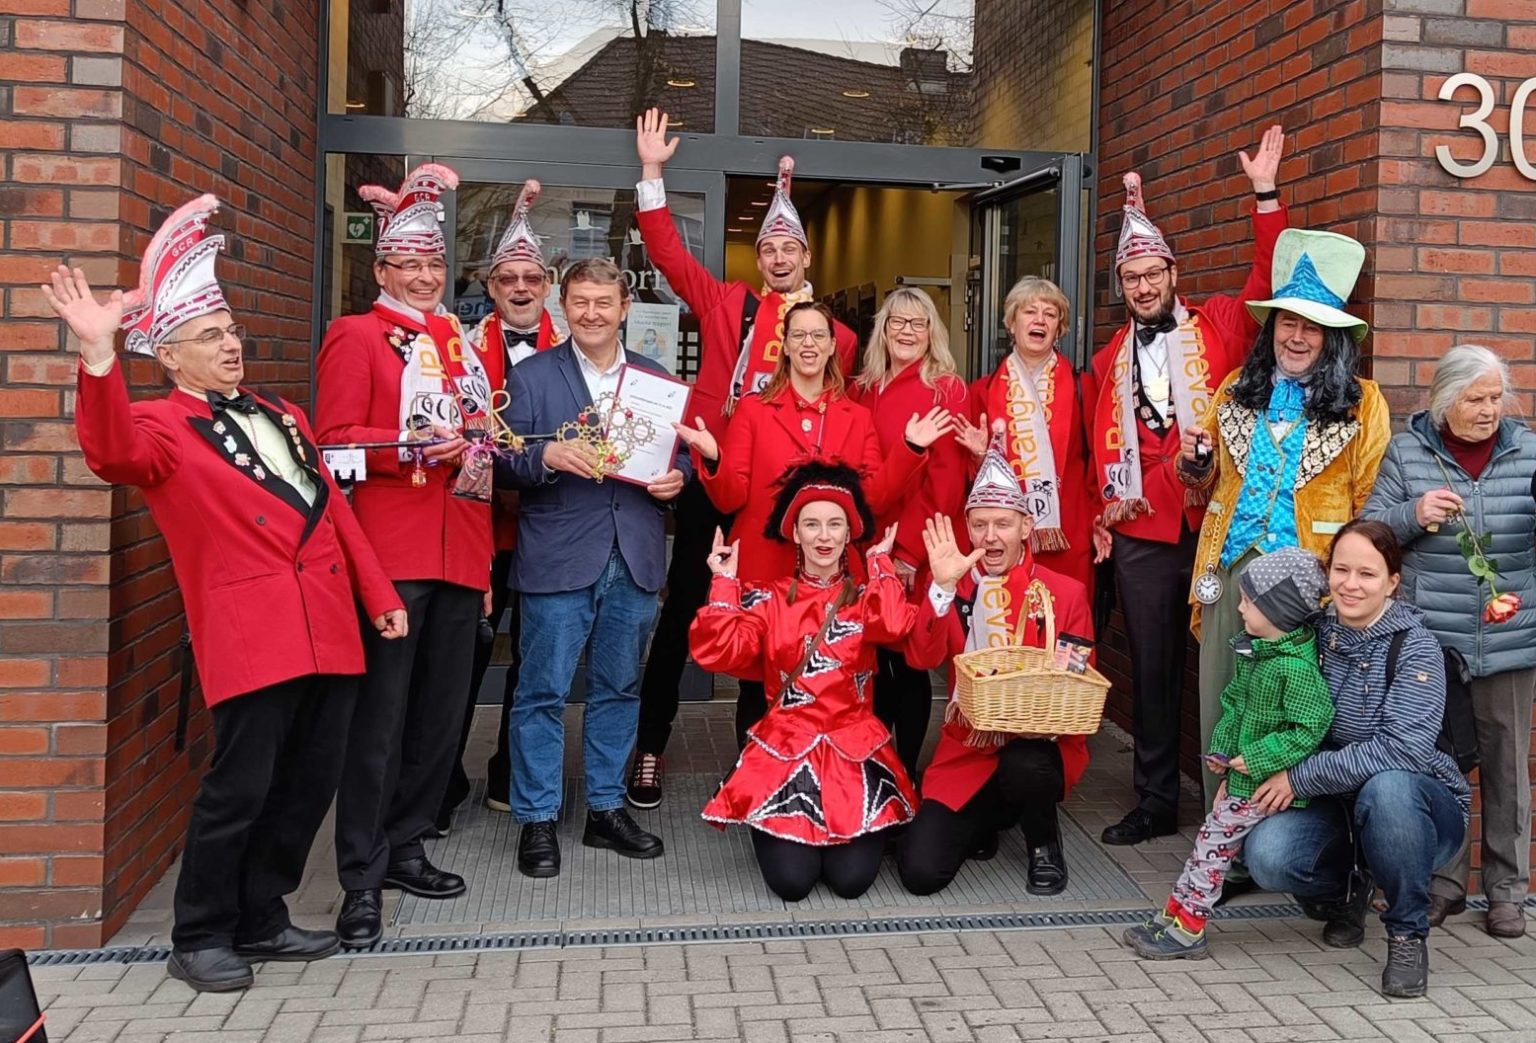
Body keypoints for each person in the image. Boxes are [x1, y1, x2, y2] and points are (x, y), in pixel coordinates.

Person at [44, 196, 407, 992]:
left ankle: (262, 915)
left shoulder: (285, 413)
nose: (231, 343)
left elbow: (332, 510)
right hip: (253, 635)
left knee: (308, 785)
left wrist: (377, 591)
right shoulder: (161, 427)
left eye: (231, 330)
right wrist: (98, 357)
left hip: (328, 627)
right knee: (239, 788)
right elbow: (110, 453)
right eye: (210, 336)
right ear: (171, 358)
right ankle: (200, 931)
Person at [625, 108, 861, 809]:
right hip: (712, 484)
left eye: (791, 249)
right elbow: (669, 255)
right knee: (683, 613)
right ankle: (650, 746)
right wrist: (651, 171)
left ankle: (765, 755)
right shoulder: (728, 304)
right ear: (759, 260)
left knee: (781, 625)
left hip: (785, 504)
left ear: (808, 259)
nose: (780, 259)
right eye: (769, 250)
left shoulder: (838, 338)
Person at [1086, 126, 1289, 846]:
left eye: (1153, 273)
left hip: (1217, 527)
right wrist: (1099, 517)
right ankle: (1154, 800)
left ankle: (1230, 803)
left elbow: (1269, 278)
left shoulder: (1221, 324)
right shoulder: (1107, 359)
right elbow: (1091, 453)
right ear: (1122, 287)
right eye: (1131, 278)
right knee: (1152, 668)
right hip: (1143, 535)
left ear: (1173, 272)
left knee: (1233, 664)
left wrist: (1265, 194)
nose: (1143, 286)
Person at [315, 164, 492, 949]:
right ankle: (360, 872)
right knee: (380, 720)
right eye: (409, 264)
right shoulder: (355, 336)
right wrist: (407, 442)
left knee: (439, 718)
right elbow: (332, 443)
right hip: (393, 550)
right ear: (381, 270)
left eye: (433, 264)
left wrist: (479, 444)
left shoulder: (458, 341)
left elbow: (485, 437)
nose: (424, 276)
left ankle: (408, 841)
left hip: (461, 549)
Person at [673, 301, 952, 747]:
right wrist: (714, 457)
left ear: (832, 346)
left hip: (833, 576)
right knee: (758, 687)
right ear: (784, 346)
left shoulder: (856, 417)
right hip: (766, 567)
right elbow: (731, 496)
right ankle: (759, 774)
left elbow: (872, 500)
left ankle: (829, 774)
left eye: (818, 335)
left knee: (837, 682)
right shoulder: (753, 410)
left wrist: (909, 449)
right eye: (798, 335)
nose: (809, 343)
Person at [1178, 229, 1389, 803]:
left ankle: (1279, 833)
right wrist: (1195, 462)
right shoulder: (1235, 390)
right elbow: (1200, 482)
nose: (1296, 337)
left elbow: (1370, 499)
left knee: (1291, 705)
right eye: (1287, 323)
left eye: (1311, 327)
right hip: (1230, 567)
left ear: (1332, 338)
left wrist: (1351, 576)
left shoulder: (1363, 403)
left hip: (1307, 578)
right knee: (1223, 697)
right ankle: (1221, 828)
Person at [497, 258, 691, 879]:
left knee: (619, 689)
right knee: (542, 692)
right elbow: (499, 461)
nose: (591, 313)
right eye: (580, 301)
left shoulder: (656, 379)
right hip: (558, 557)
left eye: (603, 302)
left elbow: (681, 456)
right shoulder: (530, 376)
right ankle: (537, 817)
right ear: (563, 306)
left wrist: (676, 479)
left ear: (624, 308)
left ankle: (606, 809)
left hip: (633, 555)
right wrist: (545, 456)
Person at [1242, 519, 1470, 999]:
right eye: (1341, 570)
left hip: (1419, 808)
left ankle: (1407, 934)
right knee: (1267, 856)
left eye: (1367, 574)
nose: (1350, 584)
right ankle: (1346, 891)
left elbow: (1402, 750)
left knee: (1389, 786)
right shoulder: (1311, 636)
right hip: (1337, 803)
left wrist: (1298, 777)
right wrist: (1246, 764)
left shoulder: (1416, 648)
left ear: (1392, 582)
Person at [1362, 344, 1536, 939]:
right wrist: (1413, 512)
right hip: (1434, 646)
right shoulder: (1408, 451)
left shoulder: (1528, 451)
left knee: (1508, 769)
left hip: (1510, 637)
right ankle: (1442, 885)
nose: (1489, 410)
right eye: (1475, 399)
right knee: (1441, 768)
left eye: (1496, 398)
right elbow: (1372, 531)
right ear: (1444, 401)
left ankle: (1508, 894)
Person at [690, 463, 919, 900]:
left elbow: (893, 625)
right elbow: (722, 653)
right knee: (792, 883)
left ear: (849, 533)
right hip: (786, 751)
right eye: (811, 524)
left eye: (835, 524)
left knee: (851, 882)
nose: (823, 536)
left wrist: (880, 563)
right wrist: (724, 583)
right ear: (795, 533)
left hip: (853, 750)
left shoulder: (866, 598)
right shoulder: (768, 598)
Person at [898, 430, 1094, 897]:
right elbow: (921, 657)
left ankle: (1043, 843)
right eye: (980, 524)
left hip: (1037, 744)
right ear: (967, 528)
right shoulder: (955, 584)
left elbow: (1075, 681)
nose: (990, 537)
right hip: (969, 747)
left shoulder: (1066, 593)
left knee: (1027, 765)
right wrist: (940, 590)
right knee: (920, 873)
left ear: (1025, 527)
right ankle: (984, 822)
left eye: (1003, 524)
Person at [1126, 548, 1333, 960]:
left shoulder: (1296, 669)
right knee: (1207, 844)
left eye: (1248, 602)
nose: (1239, 608)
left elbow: (1309, 728)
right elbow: (1234, 705)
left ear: (1278, 610)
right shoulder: (1257, 653)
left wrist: (1255, 759)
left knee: (1213, 850)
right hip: (1242, 778)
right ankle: (1175, 914)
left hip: (1261, 783)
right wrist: (1222, 750)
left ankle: (1190, 928)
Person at [440, 180, 566, 827]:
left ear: (547, 286)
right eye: (508, 278)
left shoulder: (573, 351)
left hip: (547, 527)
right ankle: (438, 783)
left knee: (534, 660)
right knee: (461, 659)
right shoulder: (457, 351)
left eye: (531, 278)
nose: (520, 288)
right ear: (490, 287)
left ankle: (512, 773)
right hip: (478, 528)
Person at [851, 287, 971, 778]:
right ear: (882, 329)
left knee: (911, 659)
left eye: (917, 322)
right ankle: (879, 767)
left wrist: (907, 554)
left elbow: (946, 483)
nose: (906, 331)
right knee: (876, 659)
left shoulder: (946, 389)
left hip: (916, 548)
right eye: (897, 322)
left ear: (931, 332)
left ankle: (905, 771)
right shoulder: (864, 387)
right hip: (868, 542)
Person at [960, 276, 1095, 594]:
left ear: (1059, 328)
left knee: (1065, 619)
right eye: (1030, 311)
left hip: (1067, 536)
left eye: (1050, 314)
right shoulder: (982, 392)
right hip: (1001, 540)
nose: (1040, 320)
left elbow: (1096, 465)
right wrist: (979, 457)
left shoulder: (1082, 387)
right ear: (1012, 322)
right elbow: (971, 481)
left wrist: (1096, 520)